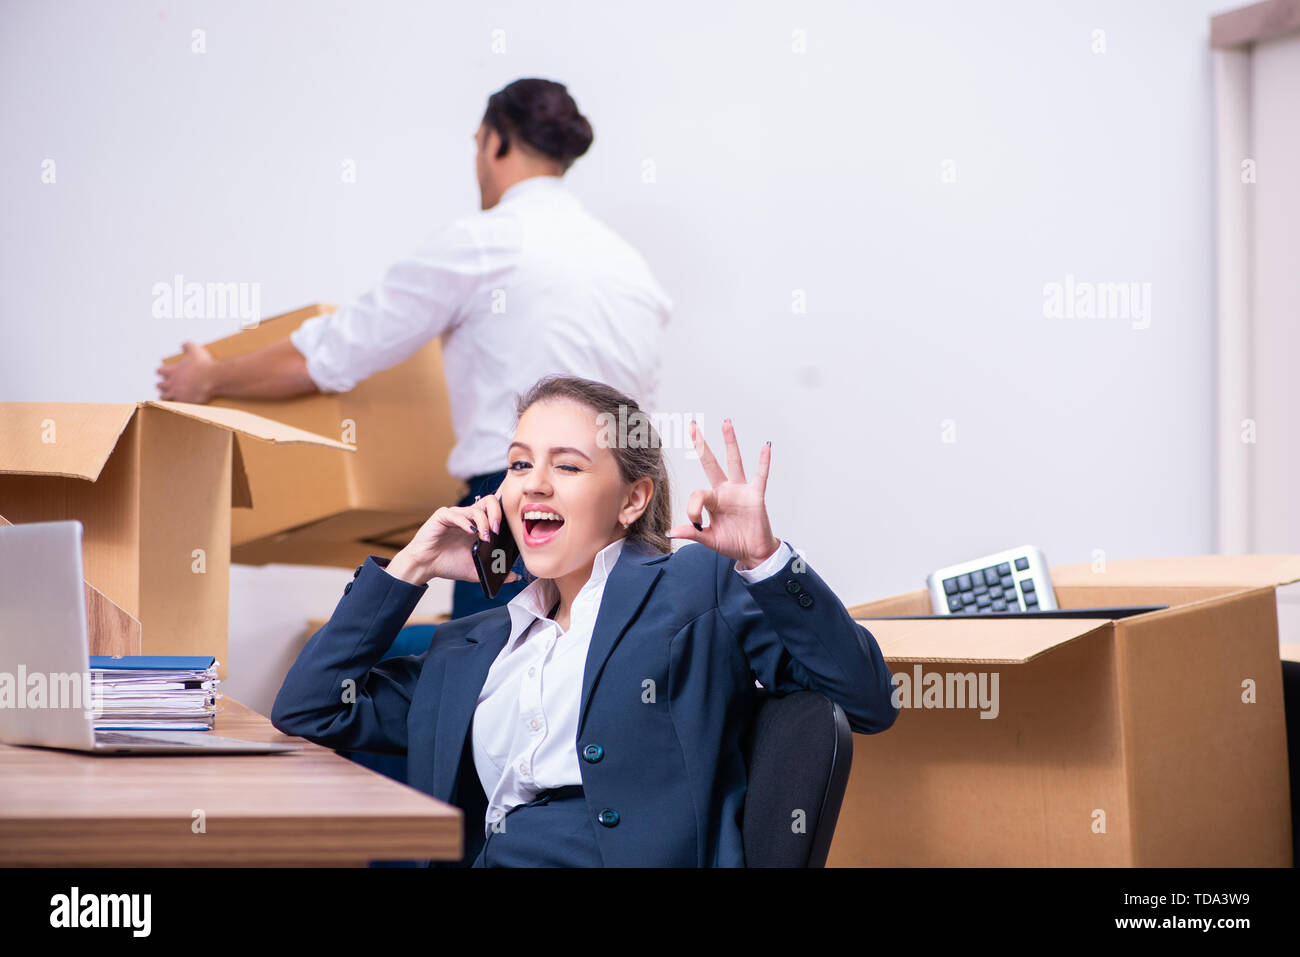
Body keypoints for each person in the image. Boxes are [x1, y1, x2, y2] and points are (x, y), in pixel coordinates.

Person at [271, 374, 900, 867]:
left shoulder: (693, 589)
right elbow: (310, 709)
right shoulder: (472, 645)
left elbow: (867, 699)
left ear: (633, 499)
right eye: (519, 465)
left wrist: (764, 562)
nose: (534, 484)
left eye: (566, 466)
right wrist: (410, 568)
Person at [155, 78, 672, 620]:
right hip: (623, 508)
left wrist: (210, 377)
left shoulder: (485, 242)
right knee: (592, 676)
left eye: (478, 143)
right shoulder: (628, 265)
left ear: (496, 142)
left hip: (521, 503)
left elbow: (337, 351)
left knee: (488, 681)